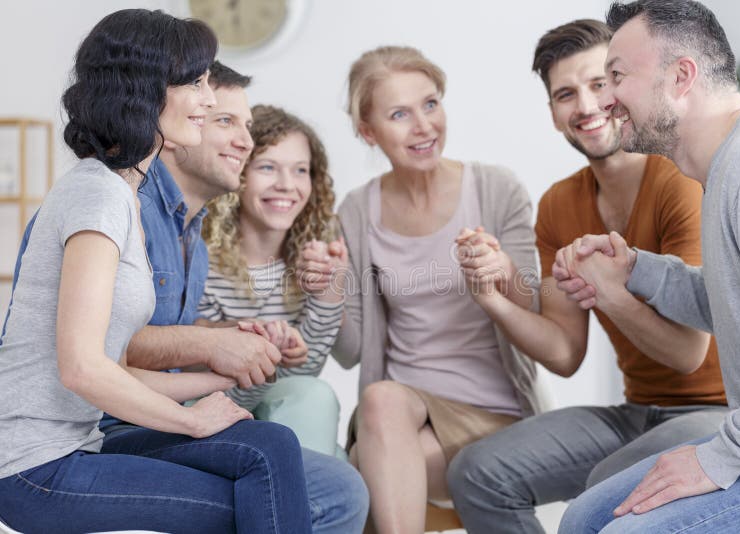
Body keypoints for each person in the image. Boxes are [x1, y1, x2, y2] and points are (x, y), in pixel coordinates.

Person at [5, 62, 368, 533]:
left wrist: (232, 355)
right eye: (221, 119)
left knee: (308, 458)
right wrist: (215, 350)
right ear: (167, 119)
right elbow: (101, 354)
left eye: (246, 126)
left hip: (116, 419)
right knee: (306, 485)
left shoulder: (189, 227)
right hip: (93, 431)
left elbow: (119, 355)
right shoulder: (111, 201)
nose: (245, 140)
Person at [446, 19, 728, 534]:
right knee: (478, 471)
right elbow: (564, 352)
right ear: (554, 115)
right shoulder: (560, 205)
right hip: (638, 410)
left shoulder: (679, 183)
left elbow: (690, 354)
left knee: (602, 490)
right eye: (565, 94)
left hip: (720, 415)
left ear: (624, 86)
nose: (586, 106)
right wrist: (495, 300)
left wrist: (611, 294)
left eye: (599, 84)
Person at [554, 1, 740, 532]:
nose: (608, 97)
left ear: (681, 77)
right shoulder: (724, 165)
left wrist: (722, 458)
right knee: (581, 519)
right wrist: (638, 269)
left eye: (617, 76)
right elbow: (737, 304)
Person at [332, 45, 547, 533]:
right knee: (383, 406)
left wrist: (501, 269)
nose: (424, 126)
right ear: (368, 132)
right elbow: (348, 353)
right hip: (396, 413)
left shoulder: (495, 190)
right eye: (399, 114)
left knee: (369, 470)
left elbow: (534, 306)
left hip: (493, 415)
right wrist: (326, 289)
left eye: (430, 104)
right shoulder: (356, 212)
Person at [199, 104, 348, 458]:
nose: (287, 185)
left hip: (284, 410)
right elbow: (207, 389)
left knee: (318, 409)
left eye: (300, 171)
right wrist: (259, 340)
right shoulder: (200, 258)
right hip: (209, 417)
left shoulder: (313, 259)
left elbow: (305, 374)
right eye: (268, 167)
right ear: (239, 173)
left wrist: (330, 293)